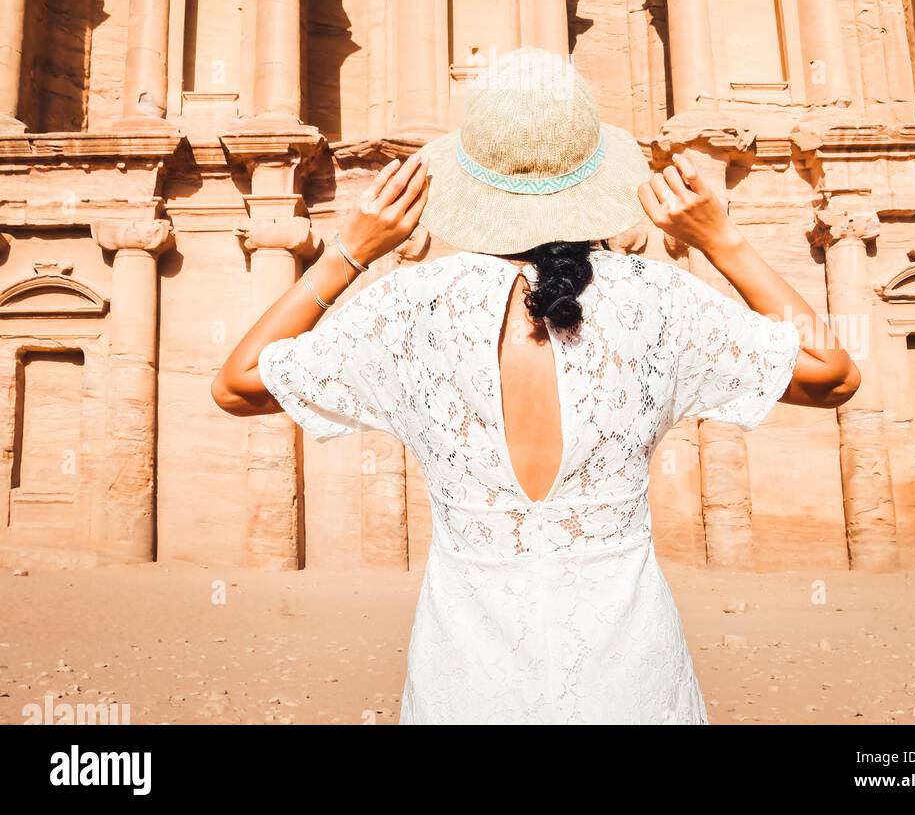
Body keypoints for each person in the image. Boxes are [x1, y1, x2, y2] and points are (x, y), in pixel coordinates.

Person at [212, 47, 859, 725]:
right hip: (628, 673)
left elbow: (238, 385)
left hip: (465, 677)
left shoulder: (414, 305)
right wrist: (724, 242)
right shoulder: (654, 299)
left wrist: (346, 254)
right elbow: (831, 374)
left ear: (469, 181)